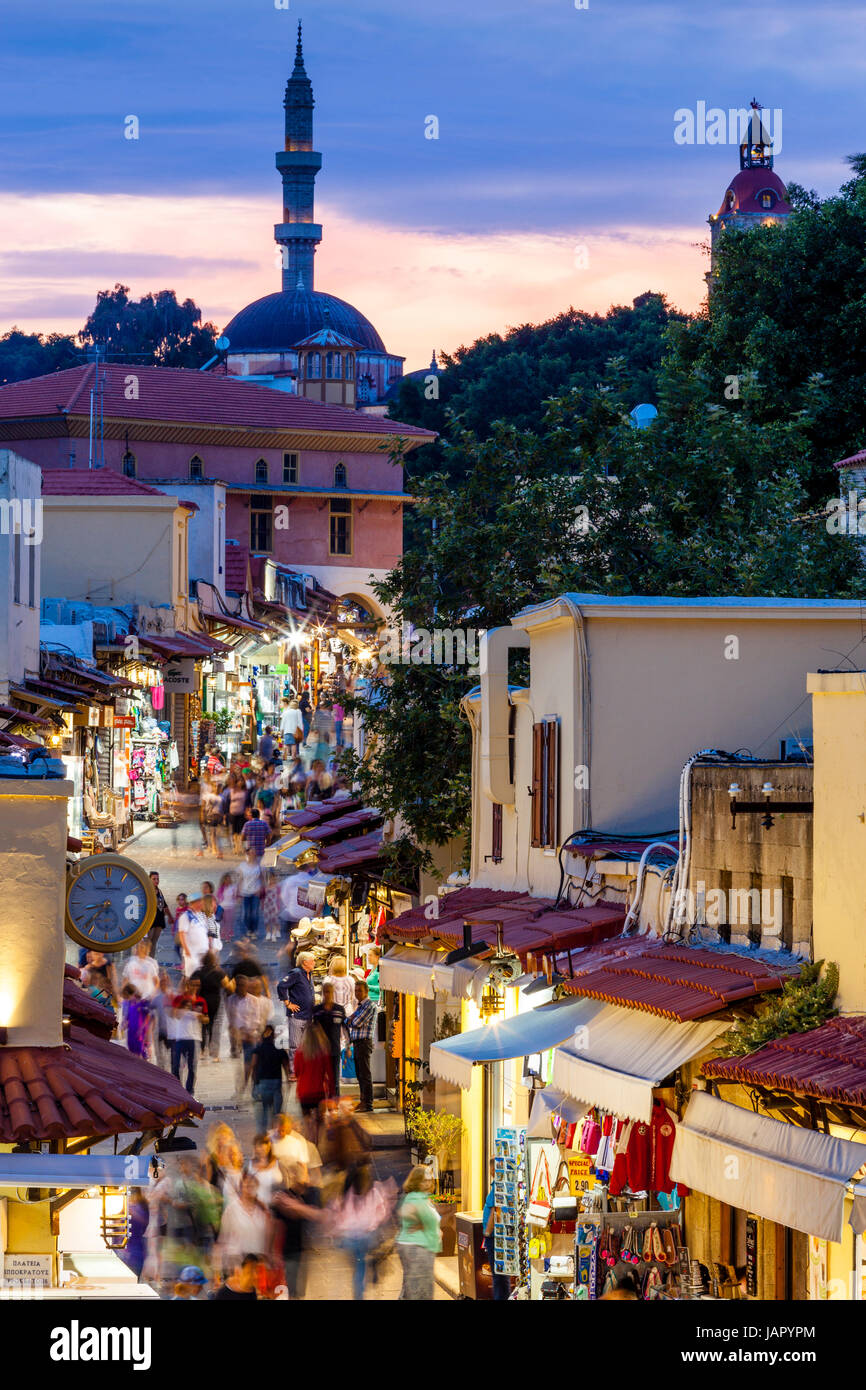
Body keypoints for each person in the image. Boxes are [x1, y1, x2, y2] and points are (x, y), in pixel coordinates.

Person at [270, 1160, 324, 1300]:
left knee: (300, 1291)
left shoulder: (312, 1193)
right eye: (293, 1174)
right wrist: (274, 1252)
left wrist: (294, 1206)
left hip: (305, 1251)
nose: (296, 1177)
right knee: (292, 1290)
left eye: (299, 1173)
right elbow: (276, 1225)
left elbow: (317, 1215)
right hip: (289, 1250)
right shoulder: (283, 1195)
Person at [397, 1165, 442, 1300]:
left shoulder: (420, 1197)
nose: (427, 1183)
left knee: (410, 1288)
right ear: (416, 1181)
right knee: (420, 1290)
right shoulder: (416, 1198)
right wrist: (426, 1224)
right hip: (418, 1247)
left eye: (429, 1180)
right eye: (423, 1180)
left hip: (416, 1245)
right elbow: (405, 1212)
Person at [214, 1173, 270, 1276]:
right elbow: (222, 1239)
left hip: (256, 1260)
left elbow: (266, 1238)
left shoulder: (262, 1211)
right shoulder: (231, 1209)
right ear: (241, 1188)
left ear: (257, 1188)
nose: (249, 1189)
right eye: (247, 1186)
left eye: (252, 1186)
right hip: (236, 1260)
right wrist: (217, 1270)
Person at [168, 975, 208, 1095]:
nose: (195, 987)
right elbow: (173, 1014)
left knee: (192, 1067)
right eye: (193, 984)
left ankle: (189, 1092)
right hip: (180, 1037)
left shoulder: (201, 1000)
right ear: (188, 984)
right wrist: (183, 1003)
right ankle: (178, 1090)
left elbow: (207, 1019)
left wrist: (202, 1018)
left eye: (198, 985)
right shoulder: (179, 998)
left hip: (195, 1038)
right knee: (176, 1066)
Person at [294, 1023, 333, 1143]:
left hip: (304, 1093)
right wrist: (331, 1093)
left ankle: (309, 1142)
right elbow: (330, 1075)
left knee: (306, 1121)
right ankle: (317, 1142)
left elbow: (297, 1072)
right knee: (319, 1121)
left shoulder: (299, 1053)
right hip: (318, 1093)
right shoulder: (324, 1053)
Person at [277, 949, 317, 1062]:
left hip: (308, 1015)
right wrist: (287, 1003)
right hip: (297, 1015)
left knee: (306, 1046)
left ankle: (303, 1070)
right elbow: (281, 986)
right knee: (295, 1046)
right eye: (312, 961)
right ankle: (294, 1071)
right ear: (305, 962)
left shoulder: (310, 974)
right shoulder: (296, 973)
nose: (314, 963)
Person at [482, 1158, 512, 1300]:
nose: (491, 1171)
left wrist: (487, 1232)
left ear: (493, 1170)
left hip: (494, 1237)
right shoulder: (499, 1185)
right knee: (500, 1274)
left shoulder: (498, 1186)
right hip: (496, 1236)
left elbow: (496, 1211)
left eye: (492, 1168)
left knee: (499, 1275)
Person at [250, 1023, 290, 1129]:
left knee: (264, 1112)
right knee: (277, 1115)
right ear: (274, 1036)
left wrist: (254, 1083)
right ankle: (276, 1134)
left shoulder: (258, 1050)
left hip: (263, 1084)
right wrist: (288, 1079)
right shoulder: (280, 1050)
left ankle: (264, 1135)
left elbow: (253, 1066)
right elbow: (287, 1067)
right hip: (276, 1084)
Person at [346, 979, 376, 1112]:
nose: (357, 993)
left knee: (364, 1074)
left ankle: (368, 1104)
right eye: (356, 990)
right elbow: (348, 1020)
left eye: (360, 990)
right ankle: (363, 1101)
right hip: (358, 1043)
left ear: (366, 991)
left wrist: (351, 1019)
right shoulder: (361, 1006)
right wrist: (350, 1019)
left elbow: (356, 1022)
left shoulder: (369, 1005)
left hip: (364, 1043)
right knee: (359, 1074)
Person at [313, 982, 346, 1097]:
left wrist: (348, 1047)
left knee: (334, 1080)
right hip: (320, 1051)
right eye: (325, 991)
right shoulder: (317, 1010)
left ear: (333, 993)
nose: (327, 994)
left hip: (334, 1050)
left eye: (329, 991)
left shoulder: (339, 1010)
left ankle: (334, 1102)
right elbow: (312, 1030)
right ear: (322, 993)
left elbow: (345, 1028)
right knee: (319, 1079)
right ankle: (321, 1103)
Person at [270, 1113, 322, 1177]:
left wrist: (304, 1177)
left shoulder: (297, 1141)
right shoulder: (268, 1140)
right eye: (278, 1130)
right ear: (274, 1127)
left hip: (293, 1177)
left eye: (283, 1130)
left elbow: (303, 1164)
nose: (281, 1133)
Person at [196, 950, 224, 1061]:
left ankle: (202, 1051)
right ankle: (214, 1053)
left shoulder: (198, 972)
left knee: (202, 1026)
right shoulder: (218, 972)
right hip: (215, 1001)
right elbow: (228, 985)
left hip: (202, 1001)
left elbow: (191, 984)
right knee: (214, 1026)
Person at [245, 1133, 284, 1206]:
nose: (260, 1149)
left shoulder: (277, 1163)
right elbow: (246, 1186)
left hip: (276, 1206)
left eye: (262, 1145)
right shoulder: (250, 1164)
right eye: (257, 1146)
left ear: (269, 1146)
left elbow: (285, 1185)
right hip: (256, 1206)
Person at [177, 899, 210, 977]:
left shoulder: (202, 915)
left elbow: (205, 932)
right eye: (199, 903)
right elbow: (182, 934)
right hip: (192, 953)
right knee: (191, 977)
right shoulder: (185, 916)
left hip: (203, 951)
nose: (201, 905)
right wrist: (187, 950)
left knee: (203, 976)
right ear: (192, 904)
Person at [237, 848, 265, 939]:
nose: (253, 854)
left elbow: (262, 879)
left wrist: (261, 889)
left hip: (255, 892)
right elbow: (240, 879)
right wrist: (238, 891)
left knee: (255, 913)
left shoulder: (260, 865)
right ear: (247, 854)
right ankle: (249, 929)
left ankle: (254, 931)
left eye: (254, 852)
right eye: (251, 852)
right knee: (245, 914)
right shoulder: (242, 866)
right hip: (245, 892)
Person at [120, 983, 151, 1059]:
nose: (126, 1000)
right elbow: (126, 1017)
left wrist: (144, 1031)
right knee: (132, 1055)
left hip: (141, 1034)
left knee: (142, 1056)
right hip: (132, 1032)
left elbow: (148, 1018)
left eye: (127, 997)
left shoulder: (143, 1003)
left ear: (133, 994)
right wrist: (124, 1023)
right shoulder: (127, 1004)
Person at [148, 871, 173, 956]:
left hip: (159, 919)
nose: (156, 881)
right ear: (149, 879)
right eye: (154, 879)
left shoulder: (159, 891)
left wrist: (170, 917)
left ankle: (151, 960)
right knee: (147, 942)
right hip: (150, 920)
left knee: (154, 942)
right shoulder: (147, 891)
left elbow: (164, 906)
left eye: (157, 879)